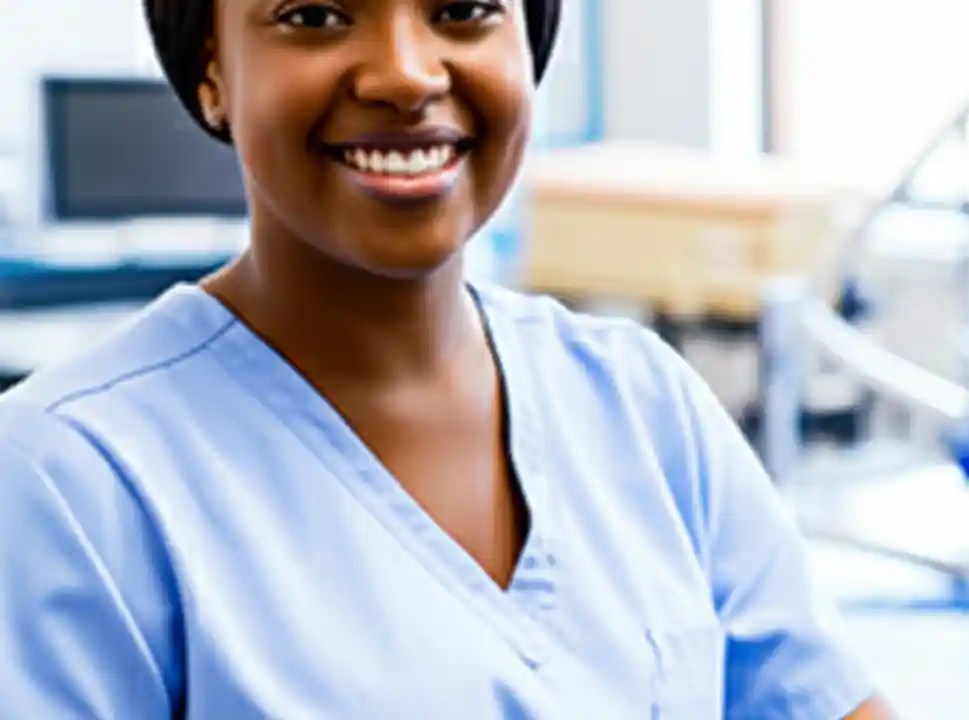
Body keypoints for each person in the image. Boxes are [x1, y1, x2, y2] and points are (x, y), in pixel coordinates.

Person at [0, 1, 891, 717]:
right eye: (314, 17)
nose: (406, 73)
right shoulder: (72, 478)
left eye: (464, 10)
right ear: (210, 70)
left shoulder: (644, 403)